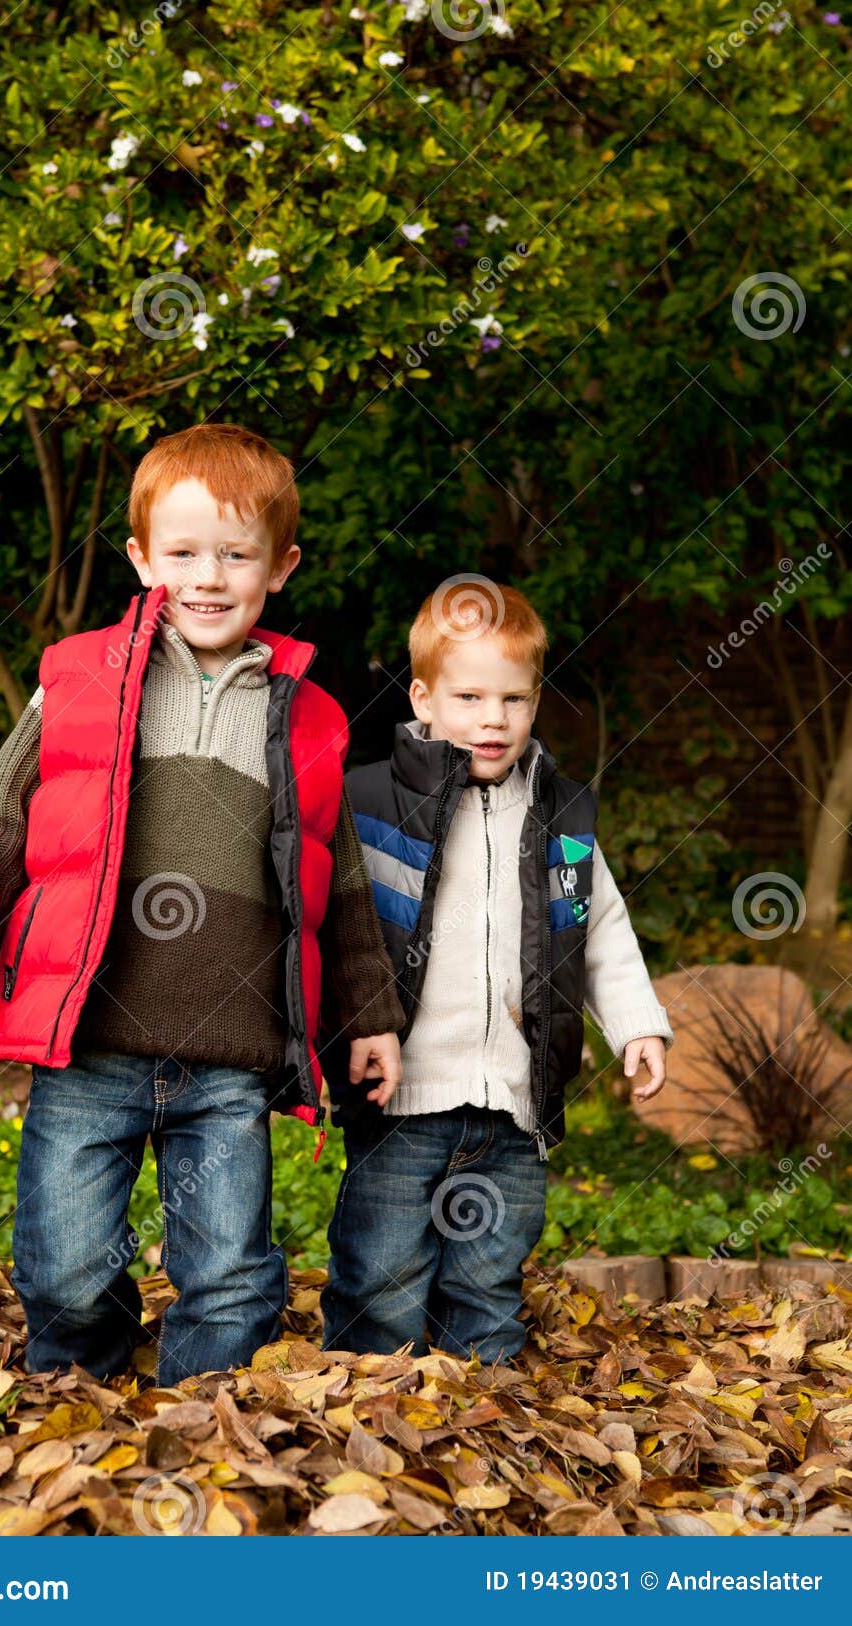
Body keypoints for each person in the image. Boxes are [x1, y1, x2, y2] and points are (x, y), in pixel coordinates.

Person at [0, 422, 403, 1386]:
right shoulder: (81, 681)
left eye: (236, 554)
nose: (208, 576)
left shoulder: (306, 717)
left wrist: (372, 1017)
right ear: (140, 559)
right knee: (67, 1265)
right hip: (91, 1038)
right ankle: (74, 1400)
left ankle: (206, 1419)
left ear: (281, 567)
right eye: (182, 553)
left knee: (227, 1269)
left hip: (231, 1051)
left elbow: (336, 884)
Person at [320, 577, 672, 1363]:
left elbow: (600, 927)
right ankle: (366, 1404)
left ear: (535, 702)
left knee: (487, 1276)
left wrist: (637, 1023)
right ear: (422, 698)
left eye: (512, 699)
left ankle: (485, 1415)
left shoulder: (560, 817)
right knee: (381, 1272)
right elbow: (334, 928)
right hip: (401, 1096)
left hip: (513, 1099)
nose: (492, 718)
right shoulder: (367, 804)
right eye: (469, 696)